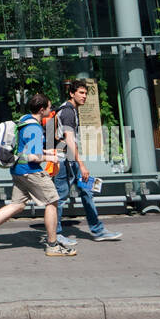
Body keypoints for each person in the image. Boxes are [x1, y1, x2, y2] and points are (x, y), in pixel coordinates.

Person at [0, 93, 75, 257]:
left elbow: (25, 148)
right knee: (53, 201)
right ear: (42, 110)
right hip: (30, 171)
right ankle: (53, 245)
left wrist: (47, 151)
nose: (51, 110)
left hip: (18, 170)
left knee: (18, 205)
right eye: (49, 107)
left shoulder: (25, 120)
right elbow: (33, 157)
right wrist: (51, 157)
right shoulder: (35, 128)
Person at [51, 80, 122, 246]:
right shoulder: (68, 112)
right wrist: (82, 164)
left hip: (71, 161)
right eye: (81, 93)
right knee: (59, 199)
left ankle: (98, 230)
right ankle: (56, 235)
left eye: (85, 93)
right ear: (72, 93)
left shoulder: (72, 110)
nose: (84, 97)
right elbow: (69, 140)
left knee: (87, 190)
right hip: (64, 162)